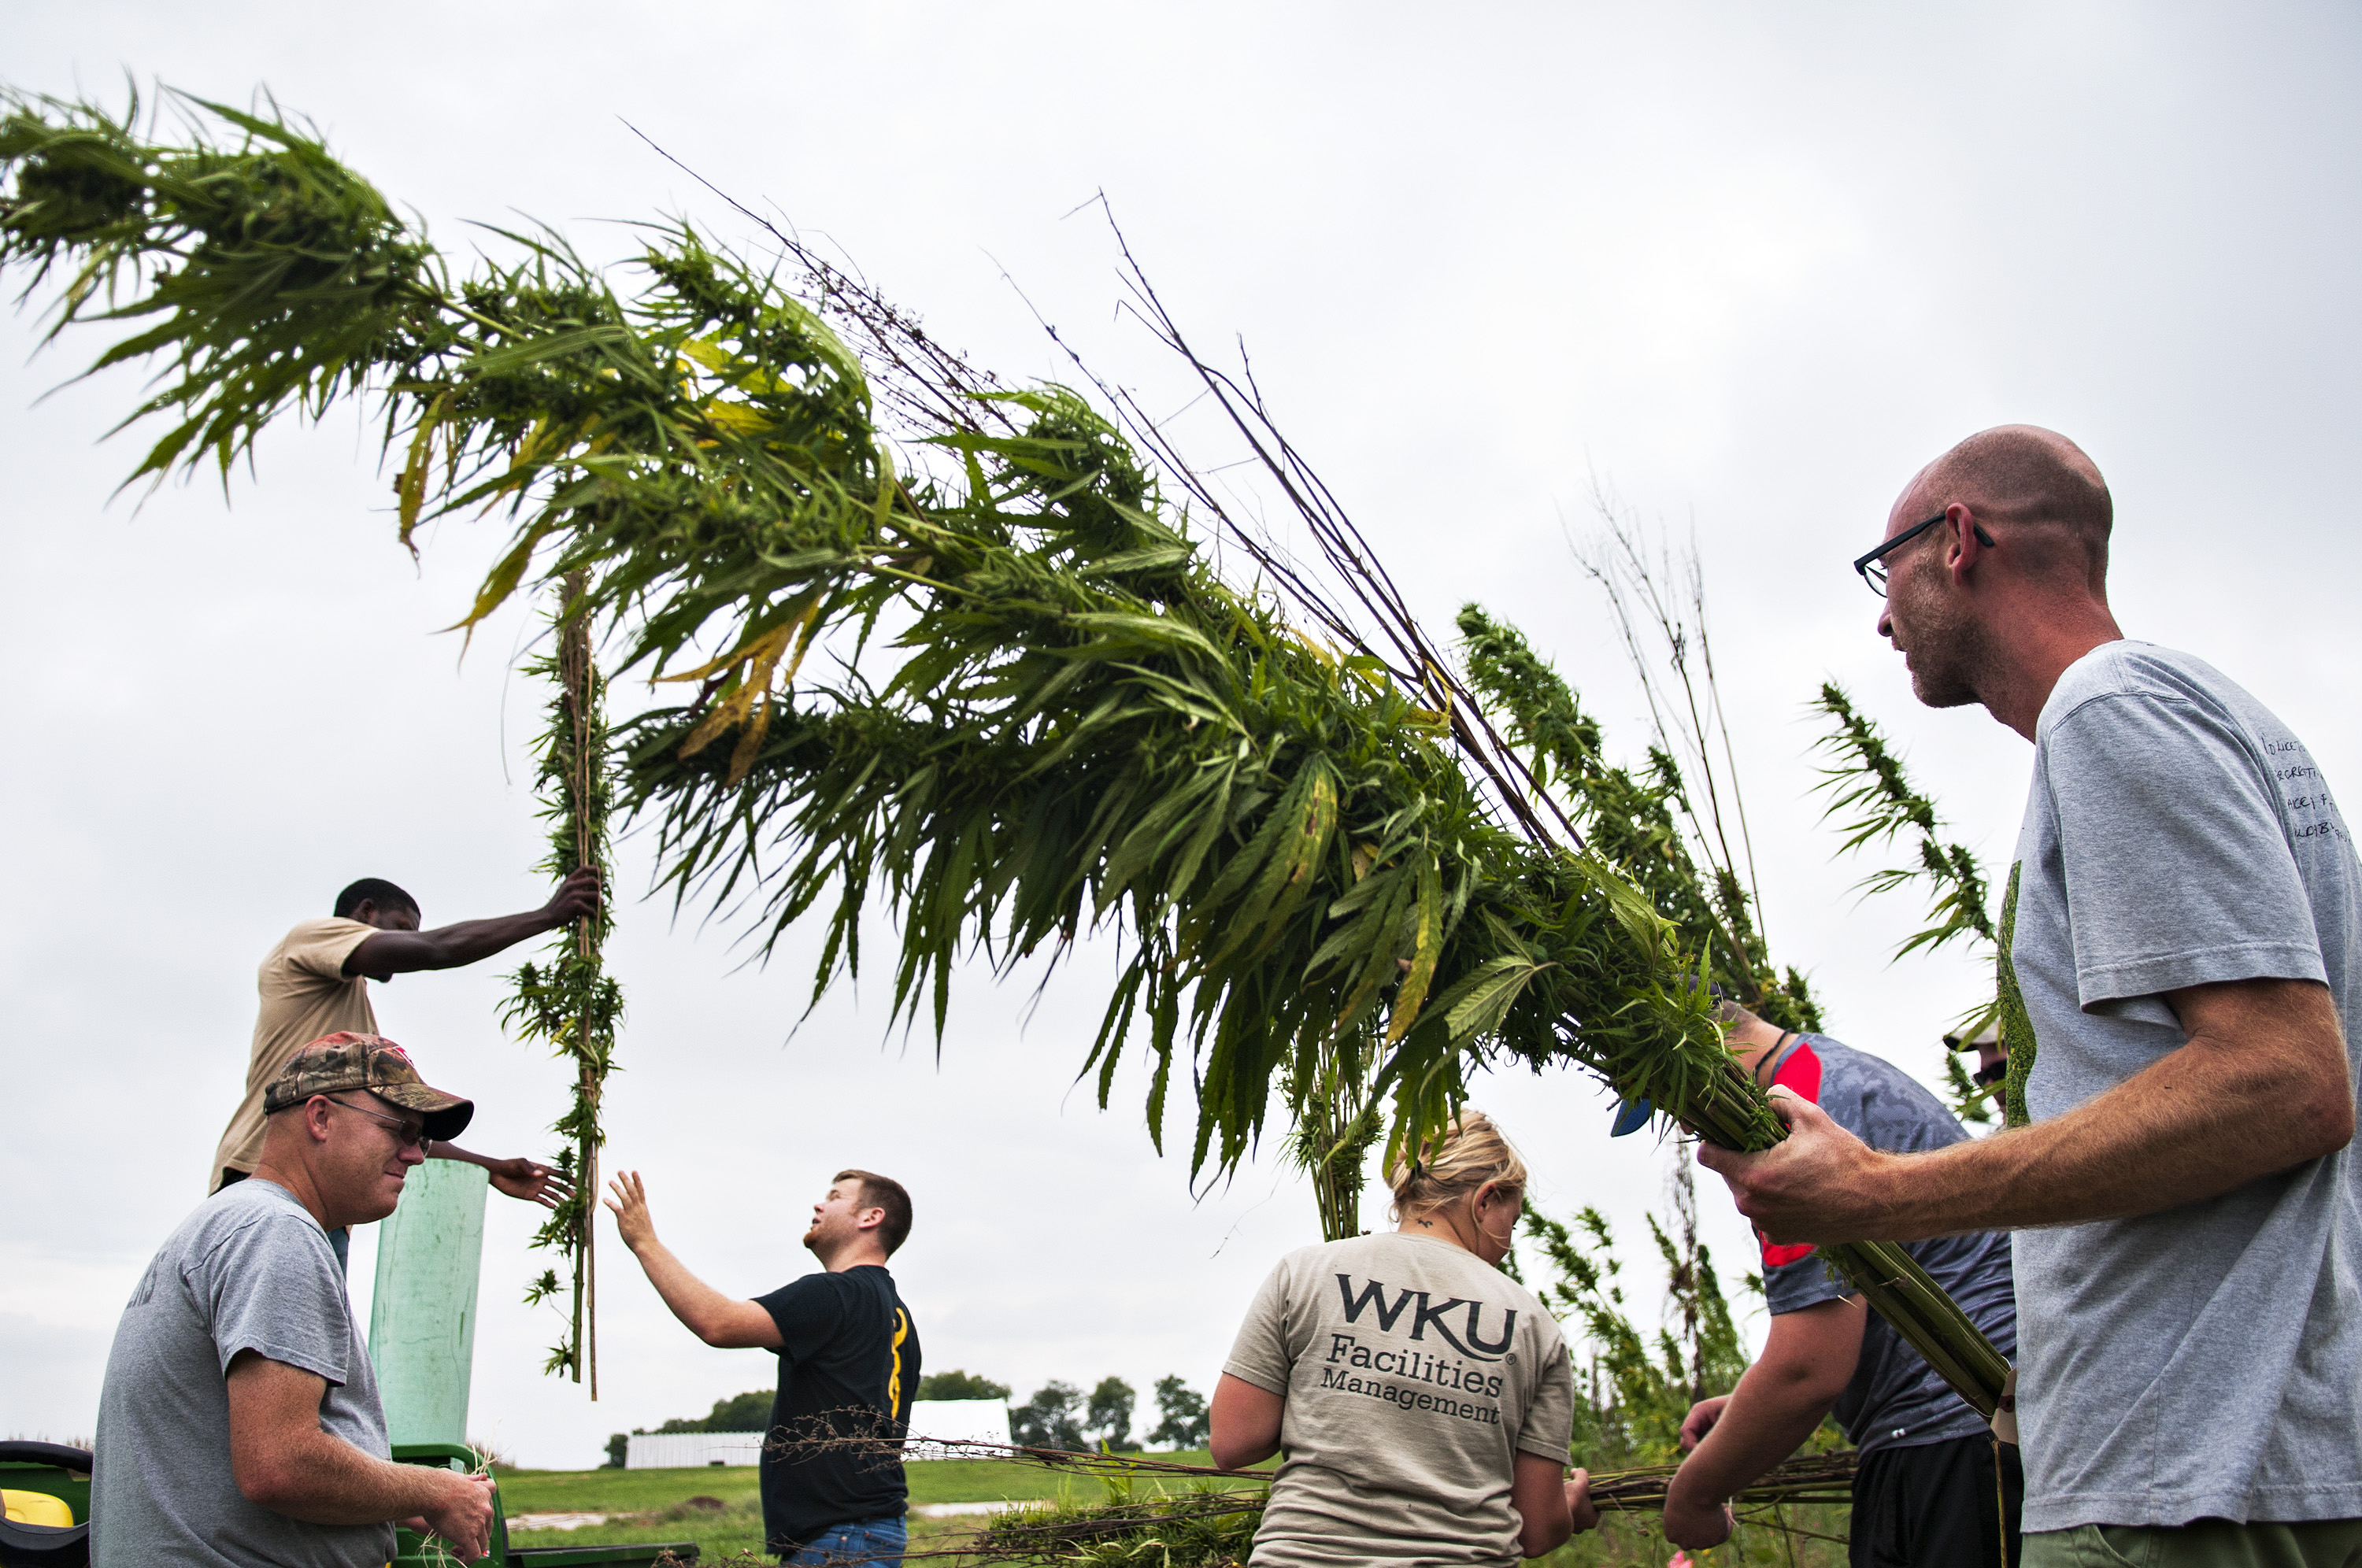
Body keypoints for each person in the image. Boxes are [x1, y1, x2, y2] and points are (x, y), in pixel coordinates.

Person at [1701, 426, 2362, 1565]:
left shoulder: (2111, 710)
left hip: (2182, 1472)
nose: (1880, 616)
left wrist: (1875, 1192)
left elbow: (2285, 1084)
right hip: (2235, 1450)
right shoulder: (2221, 724)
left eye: (1886, 569)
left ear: (1958, 541)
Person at [91, 1035, 498, 1568]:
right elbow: (277, 1464)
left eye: (420, 1139)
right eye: (399, 1129)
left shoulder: (230, 1224)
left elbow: (226, 1468)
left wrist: (389, 1501)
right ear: (321, 1117)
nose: (414, 1155)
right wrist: (432, 1490)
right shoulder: (277, 1233)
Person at [1661, 997, 2021, 1566]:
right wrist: (1744, 1412)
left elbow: (1809, 1368)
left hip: (1946, 1437)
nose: (1681, 1123)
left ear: (1702, 1056)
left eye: (1667, 1095)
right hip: (1968, 1428)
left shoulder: (1793, 1115)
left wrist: (1694, 1495)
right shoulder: (1829, 1072)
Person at [1209, 1111, 1598, 1566]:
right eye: (1514, 1218)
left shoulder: (1304, 1273)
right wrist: (1569, 1510)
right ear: (1486, 1200)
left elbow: (1233, 1441)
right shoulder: (1534, 1327)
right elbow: (1536, 1529)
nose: (1509, 1239)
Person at [208, 871, 602, 1251]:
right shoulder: (309, 939)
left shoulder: (354, 1020)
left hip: (324, 1205)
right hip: (269, 1177)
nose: (409, 943)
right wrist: (548, 916)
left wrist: (491, 1168)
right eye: (402, 927)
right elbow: (437, 948)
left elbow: (395, 1125)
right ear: (365, 913)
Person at [606, 1167, 921, 1566]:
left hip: (839, 1538)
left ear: (869, 1217)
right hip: (871, 1530)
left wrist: (644, 1242)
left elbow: (717, 1323)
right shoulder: (897, 1316)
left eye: (836, 1196)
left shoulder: (833, 1293)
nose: (819, 1204)